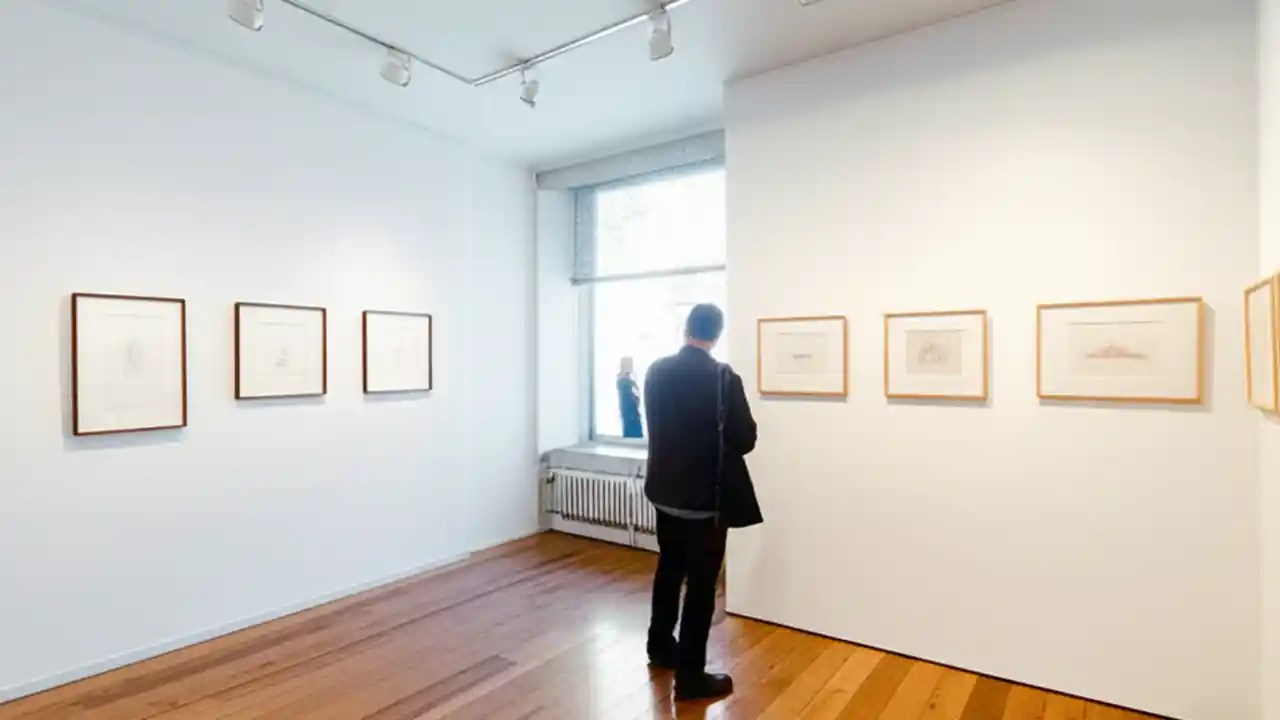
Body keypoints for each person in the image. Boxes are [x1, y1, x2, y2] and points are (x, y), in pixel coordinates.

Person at [643, 303, 759, 702]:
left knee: (668, 569)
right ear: (717, 334)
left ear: (686, 328)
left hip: (664, 494)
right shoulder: (724, 378)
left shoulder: (656, 371)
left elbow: (656, 424)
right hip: (705, 502)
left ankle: (660, 646)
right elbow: (745, 439)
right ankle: (690, 678)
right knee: (702, 586)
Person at [617, 357, 643, 439]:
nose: (632, 367)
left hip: (632, 413)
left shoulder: (627, 380)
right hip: (630, 414)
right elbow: (627, 399)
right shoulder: (624, 382)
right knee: (633, 434)